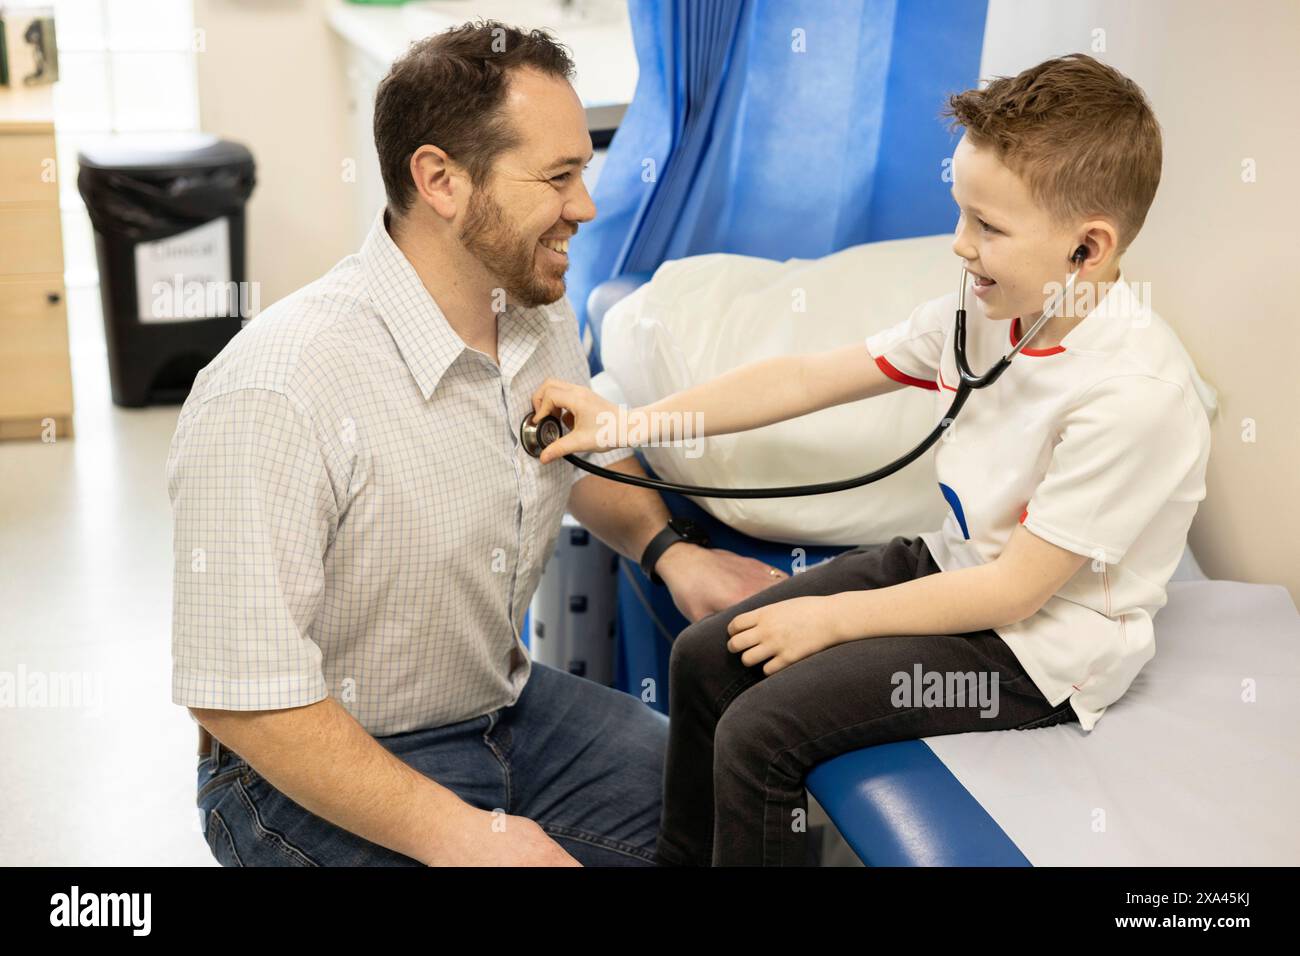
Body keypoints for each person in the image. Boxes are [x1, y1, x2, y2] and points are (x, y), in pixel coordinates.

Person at [532, 53, 1213, 866]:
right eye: (961, 214)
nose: (961, 247)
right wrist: (629, 423)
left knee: (761, 729)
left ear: (1087, 249)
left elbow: (1016, 590)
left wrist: (827, 620)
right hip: (952, 566)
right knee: (708, 653)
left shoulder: (1134, 394)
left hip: (1038, 650)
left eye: (988, 228)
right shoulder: (994, 307)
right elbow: (810, 378)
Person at [166, 21, 785, 867]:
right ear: (441, 181)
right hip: (303, 762)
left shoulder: (530, 310)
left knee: (722, 810)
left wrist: (670, 550)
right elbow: (239, 699)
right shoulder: (277, 390)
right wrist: (462, 835)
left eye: (585, 173)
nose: (586, 207)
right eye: (559, 177)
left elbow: (562, 447)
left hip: (503, 711)